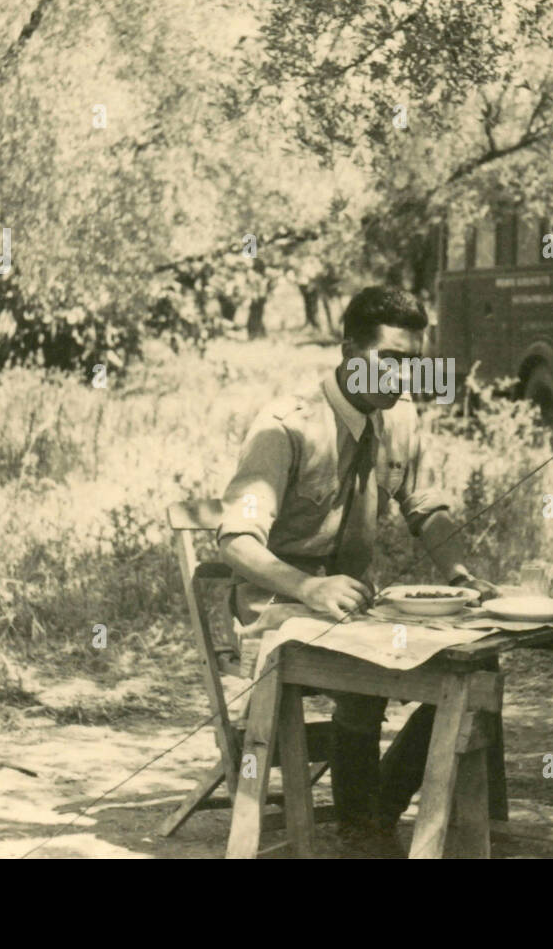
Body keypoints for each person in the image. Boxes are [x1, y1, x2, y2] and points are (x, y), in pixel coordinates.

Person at [216, 285, 494, 855]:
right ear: (348, 352)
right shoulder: (285, 425)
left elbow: (426, 506)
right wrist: (309, 586)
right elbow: (237, 543)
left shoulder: (402, 419)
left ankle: (375, 811)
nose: (401, 378)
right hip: (276, 608)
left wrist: (461, 572)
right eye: (388, 362)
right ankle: (361, 827)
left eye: (413, 364)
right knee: (371, 667)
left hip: (353, 608)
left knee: (480, 656)